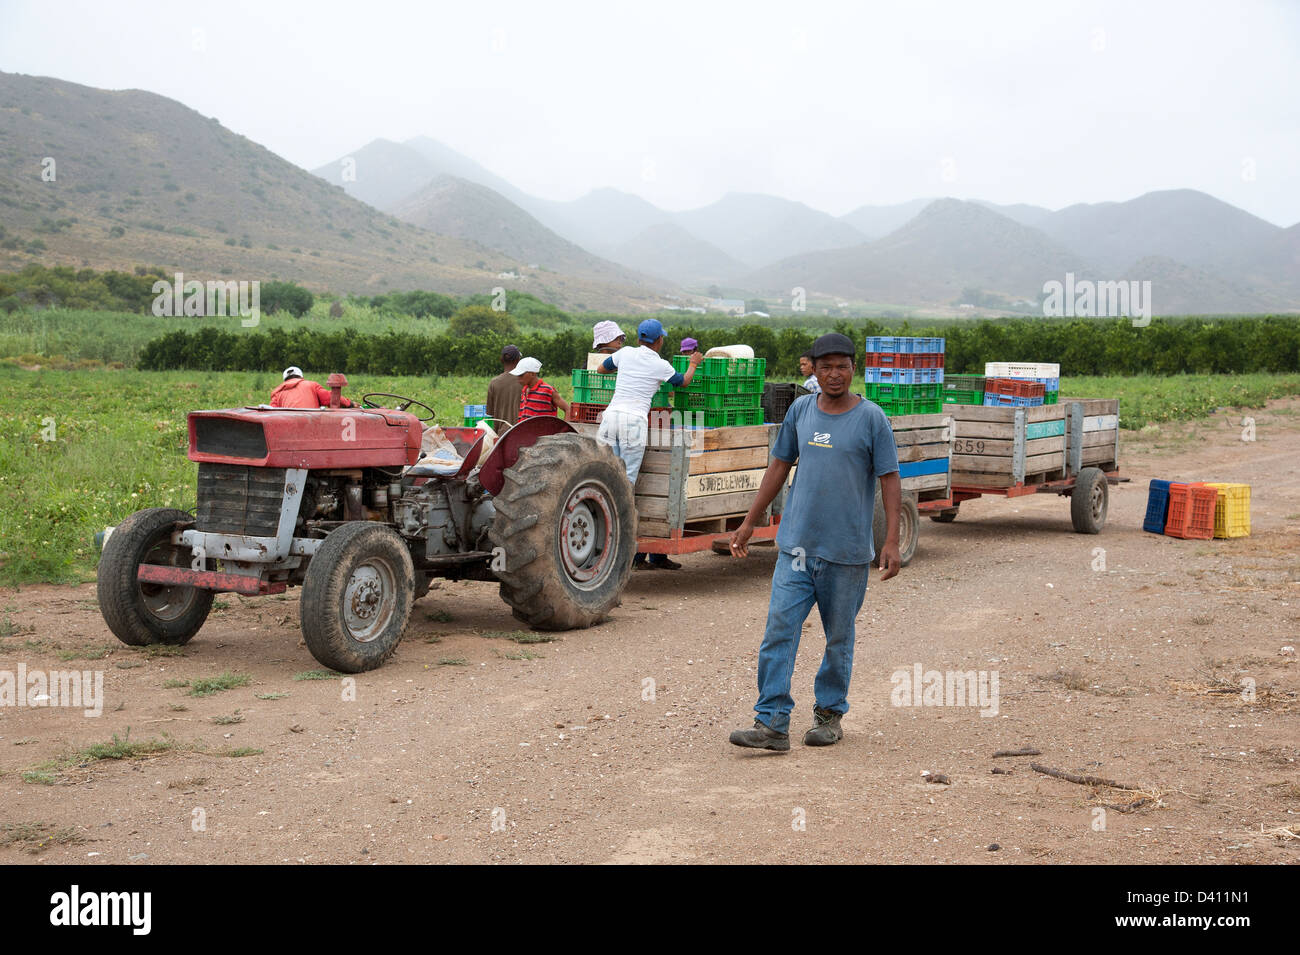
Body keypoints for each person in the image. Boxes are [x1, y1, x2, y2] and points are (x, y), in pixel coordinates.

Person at [727, 333, 902, 751]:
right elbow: (779, 465)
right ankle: (771, 723)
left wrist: (891, 539)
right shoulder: (801, 410)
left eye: (842, 366)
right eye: (826, 367)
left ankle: (829, 715)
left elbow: (890, 479)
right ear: (814, 369)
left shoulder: (872, 418)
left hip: (846, 552)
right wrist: (750, 522)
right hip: (796, 547)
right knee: (779, 631)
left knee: (838, 636)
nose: (834, 374)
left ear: (853, 369)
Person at [597, 319, 703, 570]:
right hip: (634, 422)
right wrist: (693, 364)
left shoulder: (624, 353)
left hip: (610, 419)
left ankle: (599, 536)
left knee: (602, 476)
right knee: (626, 483)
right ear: (659, 340)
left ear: (638, 338)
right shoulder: (660, 364)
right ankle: (621, 547)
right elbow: (683, 382)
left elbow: (601, 369)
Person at [269, 366, 354, 408]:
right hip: (311, 425)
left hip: (288, 428)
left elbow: (272, 413)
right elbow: (330, 398)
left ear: (285, 380)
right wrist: (350, 404)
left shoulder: (278, 393)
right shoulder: (311, 385)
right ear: (301, 377)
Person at [486, 345, 524, 426]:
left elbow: (490, 413)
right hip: (522, 431)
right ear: (518, 360)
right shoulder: (525, 381)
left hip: (501, 434)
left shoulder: (494, 382)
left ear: (501, 360)